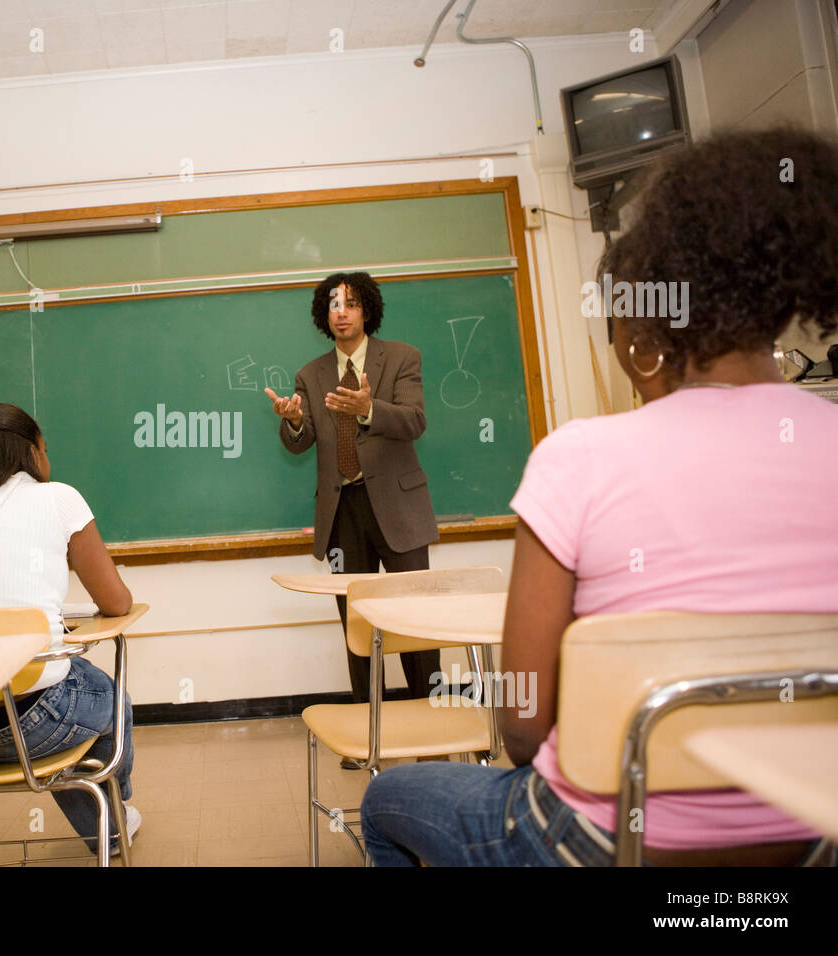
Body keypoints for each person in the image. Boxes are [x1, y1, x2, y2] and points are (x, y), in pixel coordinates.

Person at [360, 126, 838, 866]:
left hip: (597, 840)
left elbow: (522, 727)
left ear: (643, 328)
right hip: (805, 836)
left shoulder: (581, 458)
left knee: (387, 800)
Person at [0, 402, 138, 855]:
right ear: (31, 451)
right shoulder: (58, 497)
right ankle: (113, 824)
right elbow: (116, 602)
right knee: (108, 699)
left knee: (62, 687)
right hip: (38, 727)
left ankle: (108, 827)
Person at [265, 272, 440, 764]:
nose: (341, 312)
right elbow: (300, 444)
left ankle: (433, 728)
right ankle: (367, 736)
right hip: (343, 510)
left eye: (352, 304)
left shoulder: (402, 358)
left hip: (399, 507)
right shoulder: (311, 373)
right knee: (358, 627)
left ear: (367, 312)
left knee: (416, 625)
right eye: (333, 304)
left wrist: (368, 410)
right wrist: (294, 420)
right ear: (325, 314)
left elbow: (415, 421)